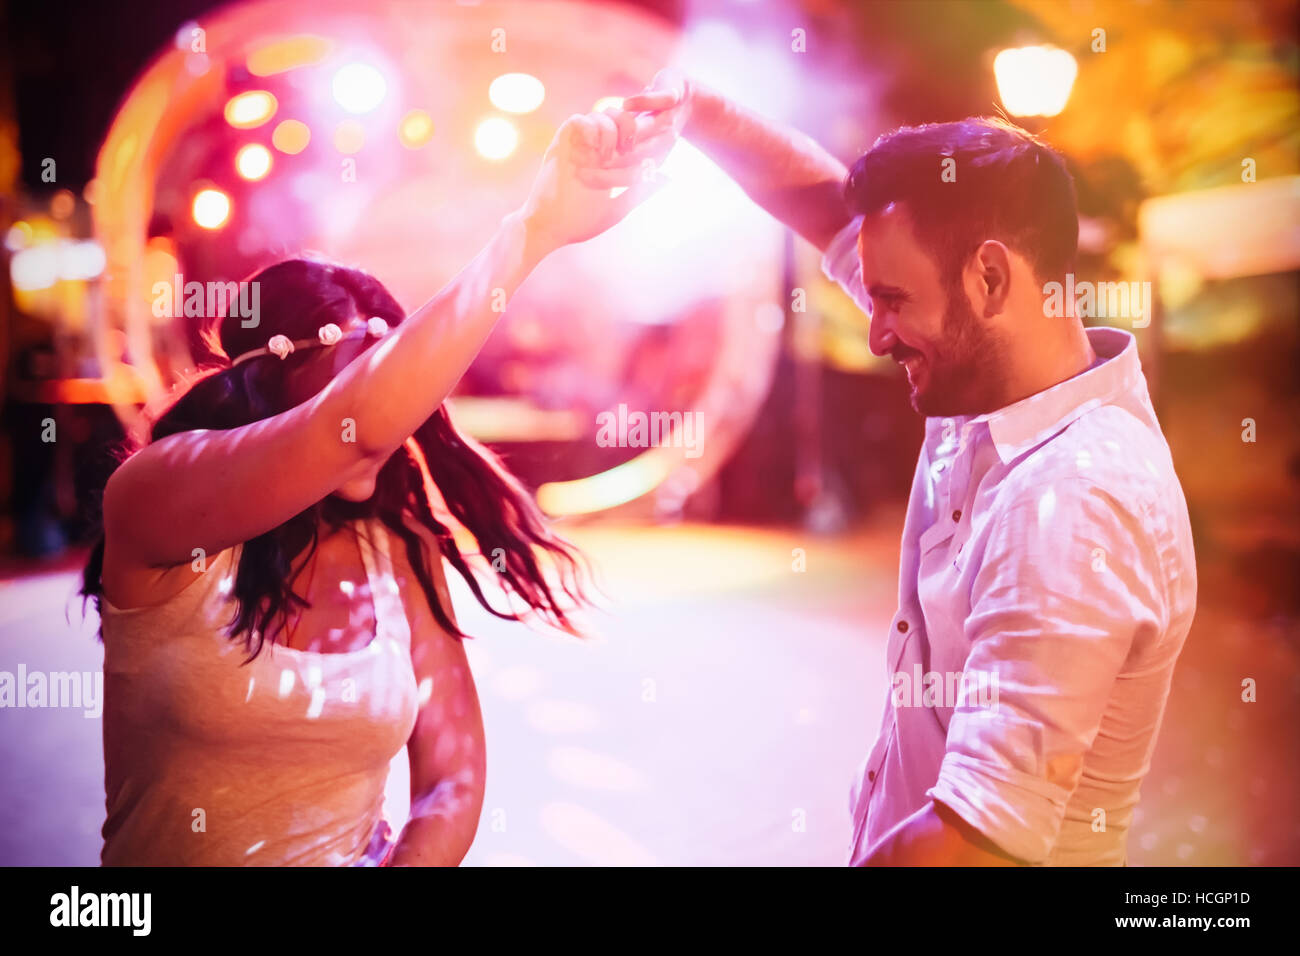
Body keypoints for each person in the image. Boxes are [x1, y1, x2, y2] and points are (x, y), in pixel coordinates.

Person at [623, 70, 1197, 865]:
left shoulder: (1074, 501)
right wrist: (700, 111)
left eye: (892, 300)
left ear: (991, 278)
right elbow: (823, 205)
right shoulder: (993, 370)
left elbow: (976, 844)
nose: (875, 333)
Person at [81, 107, 676, 866]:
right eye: (365, 378)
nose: (397, 424)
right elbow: (354, 426)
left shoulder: (396, 548)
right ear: (273, 383)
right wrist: (533, 229)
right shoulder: (158, 496)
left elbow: (452, 777)